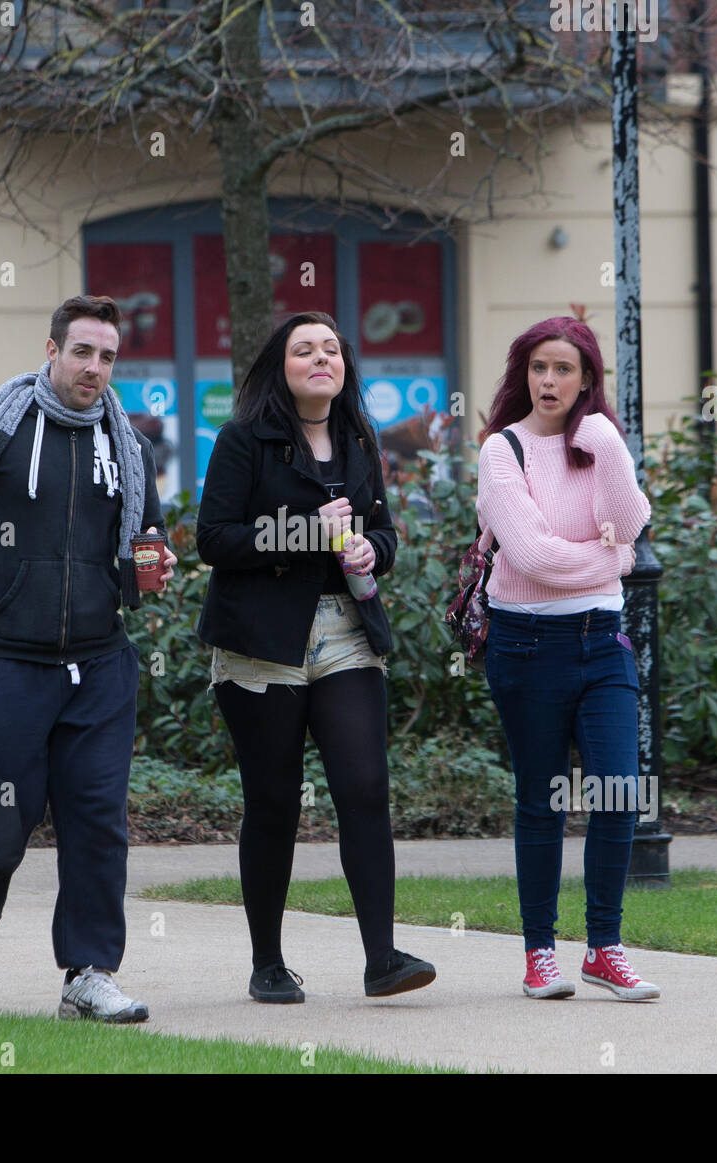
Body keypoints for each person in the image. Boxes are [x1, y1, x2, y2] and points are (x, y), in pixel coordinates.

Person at [0, 294, 177, 1022]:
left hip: (99, 665)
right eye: (83, 351)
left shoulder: (128, 446)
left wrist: (152, 565)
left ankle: (89, 972)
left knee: (97, 819)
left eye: (108, 356)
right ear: (51, 349)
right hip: (6, 662)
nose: (95, 368)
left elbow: (141, 548)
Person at [195, 311, 435, 1003]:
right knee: (272, 803)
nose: (321, 357)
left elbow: (384, 531)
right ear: (282, 366)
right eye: (305, 349)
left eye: (331, 348)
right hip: (263, 642)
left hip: (345, 630)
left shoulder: (359, 438)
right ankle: (268, 963)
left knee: (363, 787)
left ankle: (382, 958)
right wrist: (305, 534)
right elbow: (215, 536)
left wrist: (370, 550)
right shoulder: (246, 439)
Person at [476, 315, 660, 1002]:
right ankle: (539, 953)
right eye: (538, 368)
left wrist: (607, 442)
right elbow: (531, 556)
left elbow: (632, 523)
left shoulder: (599, 442)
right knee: (541, 801)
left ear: (586, 380)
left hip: (603, 641)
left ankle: (604, 949)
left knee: (617, 791)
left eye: (563, 369)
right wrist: (607, 556)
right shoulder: (503, 451)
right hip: (526, 643)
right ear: (523, 374)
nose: (548, 381)